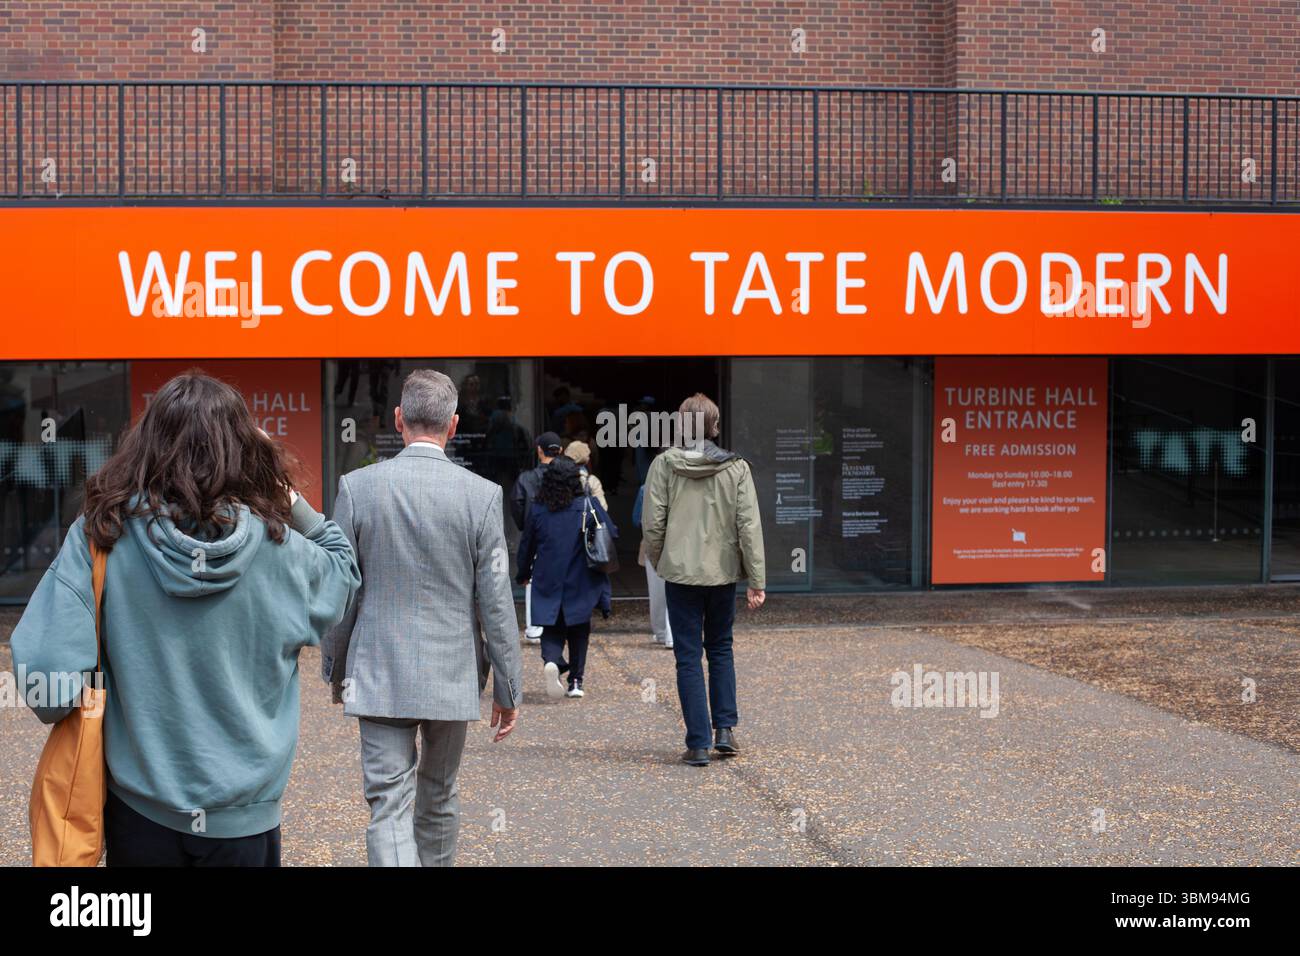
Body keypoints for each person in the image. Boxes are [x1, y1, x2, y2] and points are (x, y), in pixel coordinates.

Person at [10, 371, 360, 866]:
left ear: (145, 447)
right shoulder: (284, 550)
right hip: (247, 820)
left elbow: (46, 678)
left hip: (140, 814)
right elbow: (344, 568)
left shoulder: (100, 536)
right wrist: (288, 497)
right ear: (244, 452)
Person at [324, 369, 523, 868]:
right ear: (453, 425)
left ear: (399, 419)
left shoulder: (357, 488)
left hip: (379, 669)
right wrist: (507, 686)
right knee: (438, 797)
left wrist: (336, 667)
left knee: (388, 806)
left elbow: (342, 589)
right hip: (451, 672)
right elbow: (496, 601)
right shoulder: (481, 496)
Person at [642, 393, 766, 768]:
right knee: (721, 648)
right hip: (722, 572)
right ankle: (725, 730)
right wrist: (756, 578)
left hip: (680, 573)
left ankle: (697, 743)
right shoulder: (737, 467)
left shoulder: (663, 465)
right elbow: (749, 526)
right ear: (713, 425)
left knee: (687, 657)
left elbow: (653, 523)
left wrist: (661, 558)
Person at [516, 456, 616, 700]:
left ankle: (552, 661)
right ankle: (576, 681)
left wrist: (523, 573)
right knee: (579, 628)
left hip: (548, 575)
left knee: (551, 627)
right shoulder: (588, 505)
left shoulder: (538, 510)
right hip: (581, 576)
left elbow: (527, 545)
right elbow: (612, 532)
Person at [510, 430, 564, 644]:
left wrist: (525, 524)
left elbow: (516, 503)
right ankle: (559, 623)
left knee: (534, 580)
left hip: (537, 535)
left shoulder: (526, 478)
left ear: (539, 450)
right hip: (563, 536)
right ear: (560, 451)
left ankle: (535, 627)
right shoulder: (569, 476)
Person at [633, 479, 672, 649]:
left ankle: (662, 632)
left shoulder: (646, 487)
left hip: (653, 543)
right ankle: (672, 634)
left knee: (657, 591)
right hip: (679, 543)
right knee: (678, 590)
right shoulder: (685, 484)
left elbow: (637, 519)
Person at [563, 439, 607, 510]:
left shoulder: (558, 476)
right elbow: (603, 507)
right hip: (585, 519)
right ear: (587, 460)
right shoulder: (592, 480)